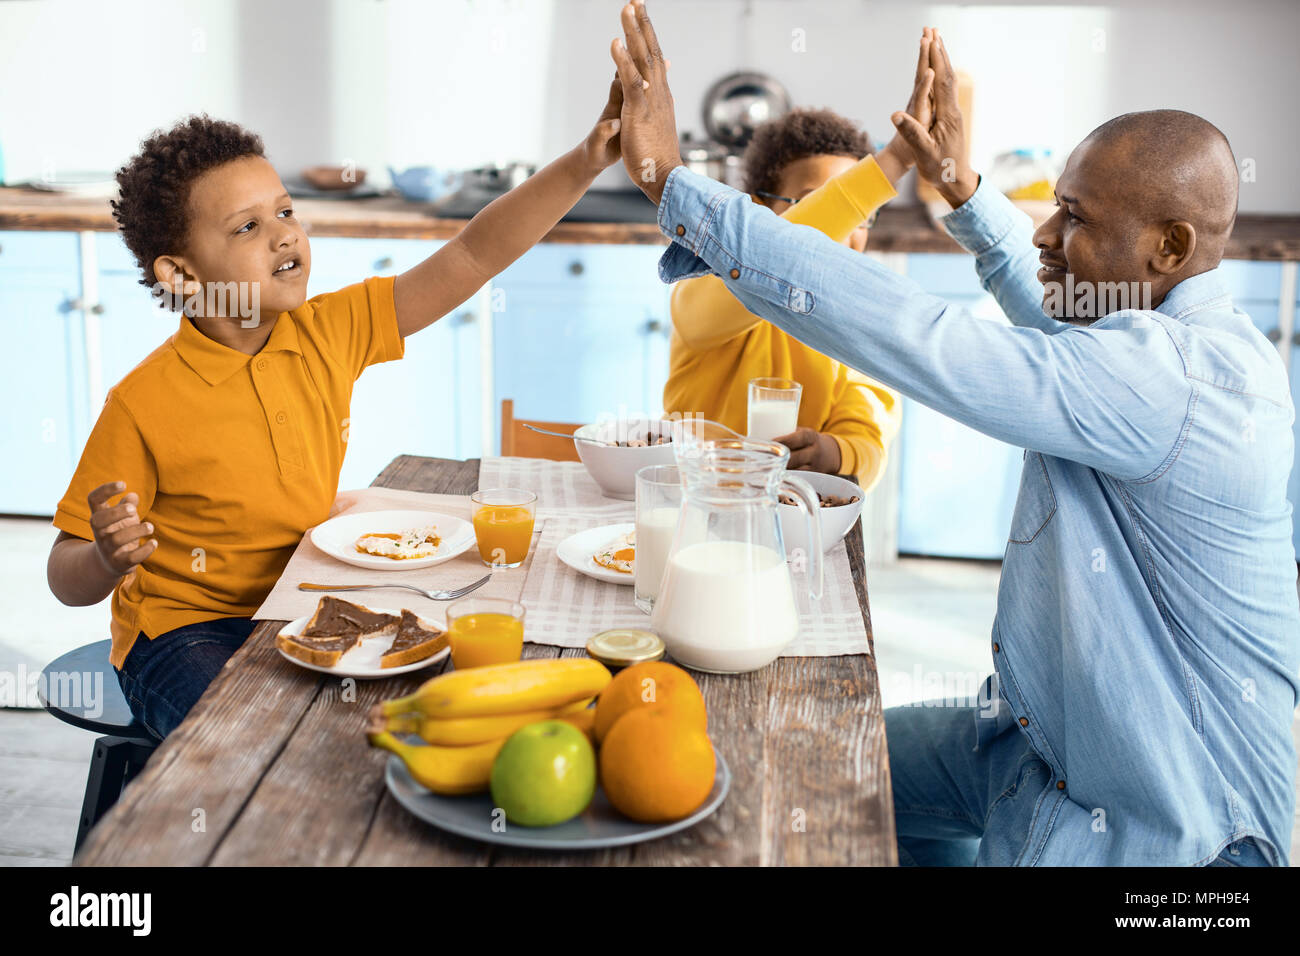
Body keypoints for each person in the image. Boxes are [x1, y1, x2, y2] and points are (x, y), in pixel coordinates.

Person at [609, 1, 1299, 865]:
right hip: (1034, 748)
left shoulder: (1174, 382)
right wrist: (965, 193)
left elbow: (927, 341)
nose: (1046, 232)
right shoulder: (1143, 333)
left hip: (1164, 830)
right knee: (779, 760)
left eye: (1074, 219)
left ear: (1169, 245)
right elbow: (1045, 311)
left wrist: (674, 182)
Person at [46, 86, 627, 741]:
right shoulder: (142, 401)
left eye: (285, 211)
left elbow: (473, 254)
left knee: (404, 711)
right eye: (248, 226)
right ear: (180, 274)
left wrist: (585, 161)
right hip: (185, 631)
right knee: (246, 741)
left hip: (303, 596)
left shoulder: (329, 329)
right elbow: (66, 577)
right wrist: (105, 554)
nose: (285, 234)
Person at [663, 107, 902, 486]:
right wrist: (893, 163)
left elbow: (869, 437)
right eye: (816, 204)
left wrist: (833, 452)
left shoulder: (866, 318)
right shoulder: (710, 289)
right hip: (693, 500)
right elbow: (781, 252)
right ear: (757, 209)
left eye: (860, 215)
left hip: (796, 514)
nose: (844, 231)